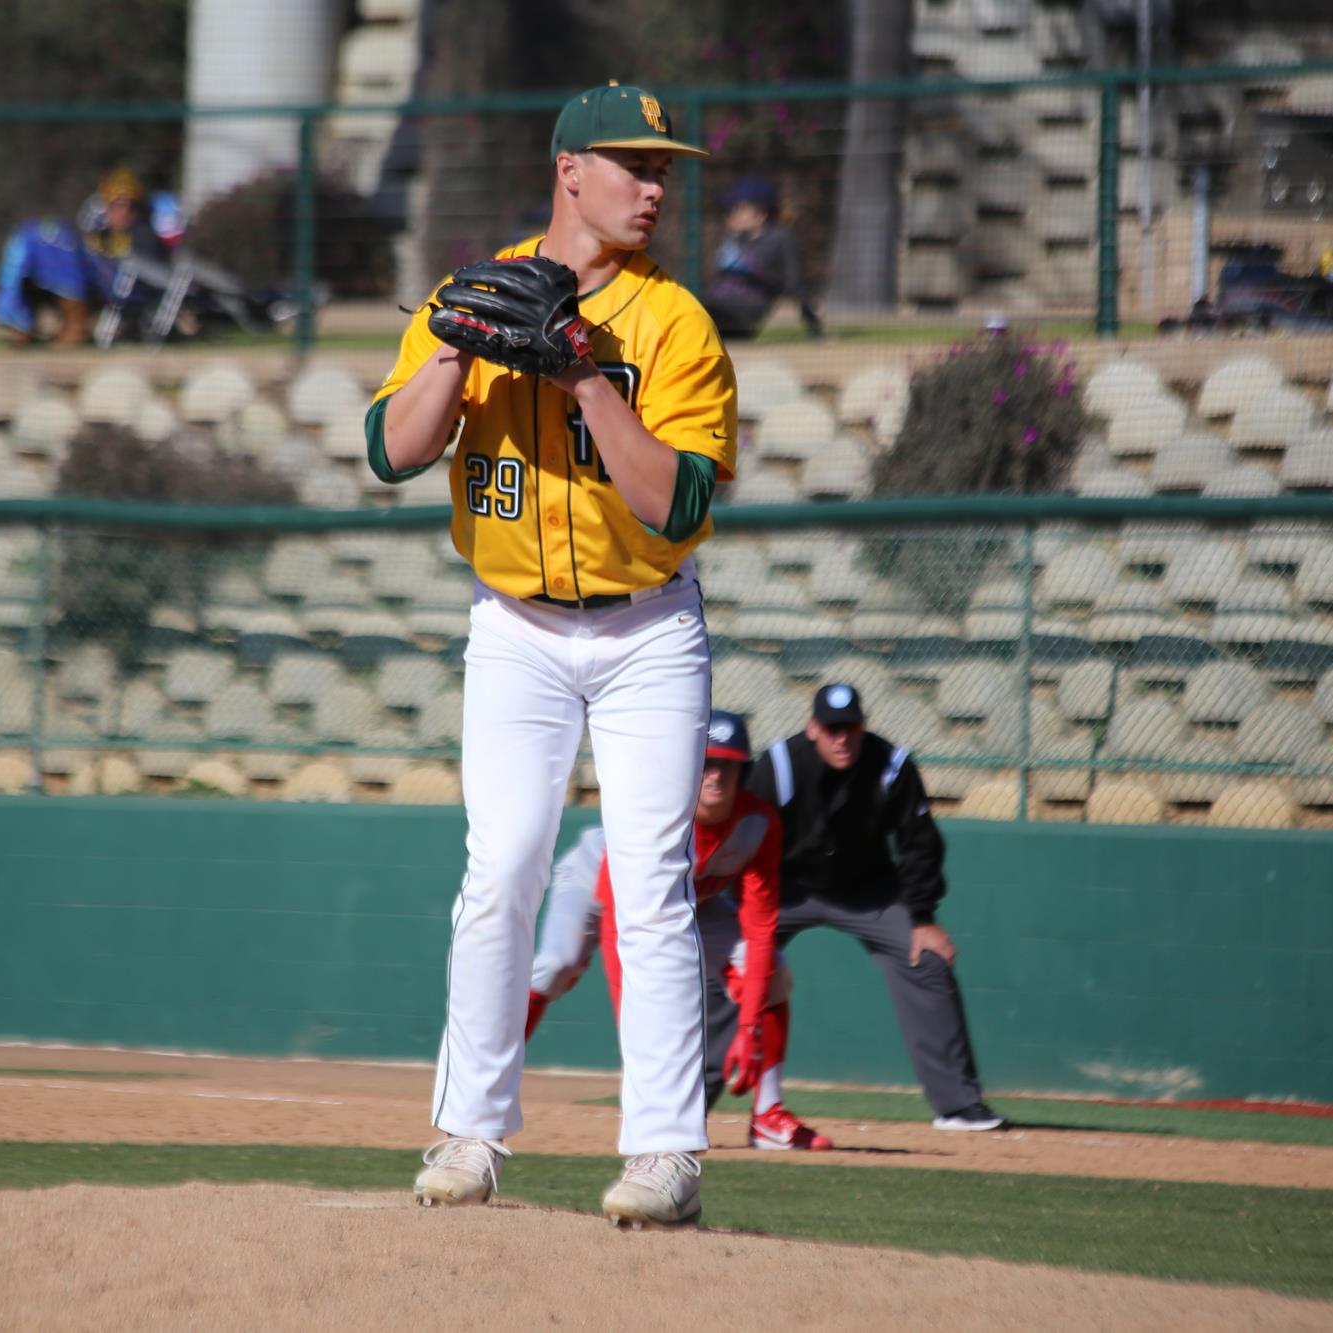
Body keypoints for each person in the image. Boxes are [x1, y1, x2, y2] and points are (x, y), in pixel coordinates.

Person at [366, 82, 736, 1228]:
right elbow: (390, 450)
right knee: (503, 867)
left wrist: (578, 368)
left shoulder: (673, 324)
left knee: (652, 883)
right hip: (516, 626)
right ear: (568, 168)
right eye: (630, 162)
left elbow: (674, 503)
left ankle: (664, 1152)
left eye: (662, 166)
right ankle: (468, 1135)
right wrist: (451, 352)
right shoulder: (466, 293)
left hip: (644, 627)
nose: (652, 185)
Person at [526, 711, 835, 1151]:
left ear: (743, 769)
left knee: (773, 976)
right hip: (601, 883)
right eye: (706, 763)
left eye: (727, 764)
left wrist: (749, 1027)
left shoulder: (756, 823)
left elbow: (761, 923)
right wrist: (632, 1034)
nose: (716, 776)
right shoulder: (657, 816)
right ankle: (489, 1087)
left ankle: (767, 1115)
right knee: (556, 966)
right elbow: (619, 928)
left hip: (694, 901)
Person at [721, 682, 1002, 1131]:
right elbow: (743, 828)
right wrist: (730, 905)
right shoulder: (780, 765)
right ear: (813, 729)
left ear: (862, 726)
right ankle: (693, 1096)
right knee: (728, 961)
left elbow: (919, 844)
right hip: (784, 889)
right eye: (831, 729)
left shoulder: (889, 765)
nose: (842, 738)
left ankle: (959, 1105)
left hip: (868, 893)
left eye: (850, 727)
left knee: (928, 958)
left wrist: (923, 917)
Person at [0, 167, 175, 345]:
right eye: (116, 205)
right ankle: (20, 317)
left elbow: (134, 267)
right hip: (93, 278)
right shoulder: (99, 230)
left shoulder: (144, 235)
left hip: (117, 286)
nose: (123, 212)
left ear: (138, 209)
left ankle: (70, 325)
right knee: (39, 237)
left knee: (56, 245)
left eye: (129, 206)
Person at [699, 177, 823, 342]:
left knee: (694, 320)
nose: (731, 215)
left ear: (761, 214)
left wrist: (815, 328)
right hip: (714, 307)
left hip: (740, 315)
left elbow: (794, 284)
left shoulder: (780, 238)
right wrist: (732, 238)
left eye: (739, 209)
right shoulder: (733, 238)